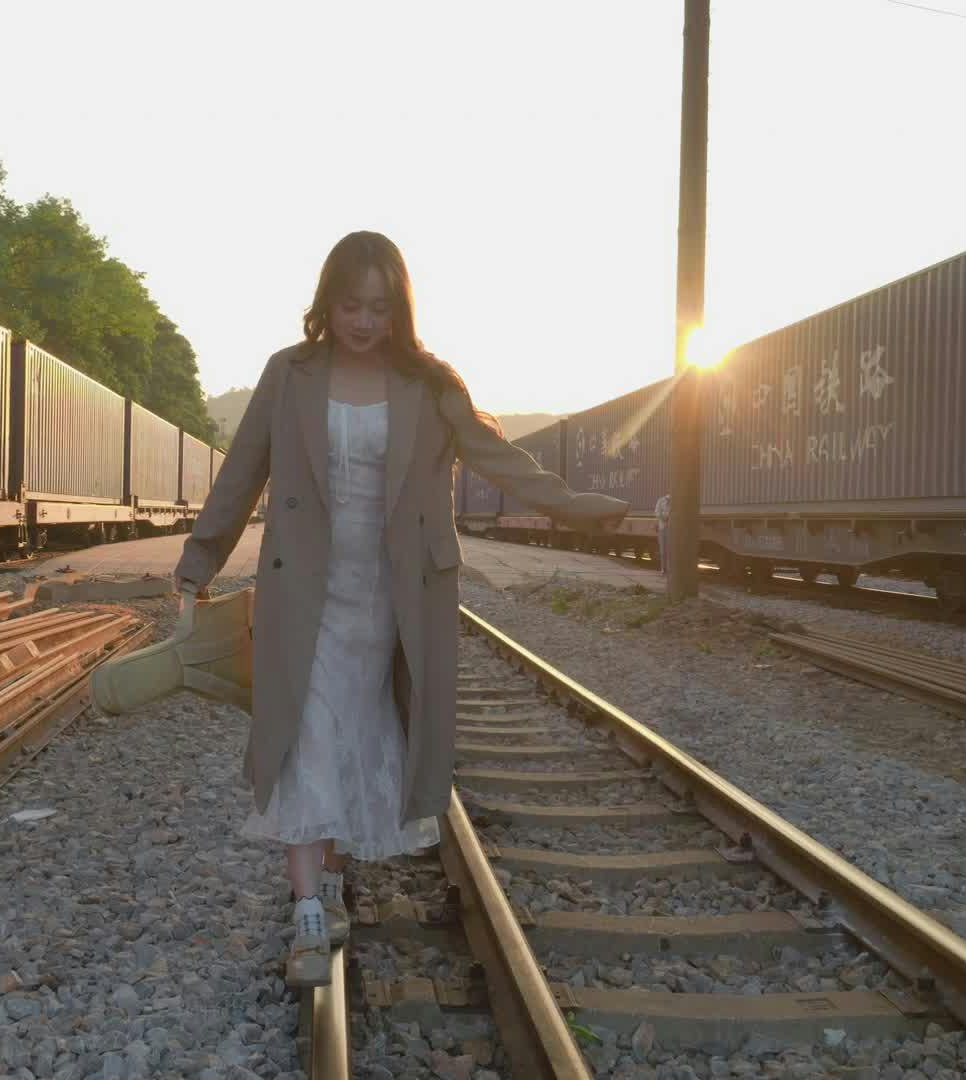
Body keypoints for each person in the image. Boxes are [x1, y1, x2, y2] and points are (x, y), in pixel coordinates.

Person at [173, 231, 628, 987]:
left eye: (379, 308)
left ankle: (336, 875)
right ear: (327, 303)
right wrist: (198, 562)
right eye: (350, 304)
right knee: (307, 732)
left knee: (357, 725)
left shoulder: (426, 381)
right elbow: (242, 471)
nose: (362, 321)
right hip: (302, 591)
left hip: (391, 593)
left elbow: (498, 458)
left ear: (400, 309)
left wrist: (581, 507)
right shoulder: (289, 374)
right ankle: (309, 911)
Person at [654, 492, 671, 573]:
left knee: (669, 550)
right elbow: (656, 512)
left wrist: (669, 517)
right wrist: (662, 517)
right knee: (662, 550)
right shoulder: (661, 501)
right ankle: (663, 569)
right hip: (662, 527)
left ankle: (668, 568)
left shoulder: (676, 501)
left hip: (672, 528)